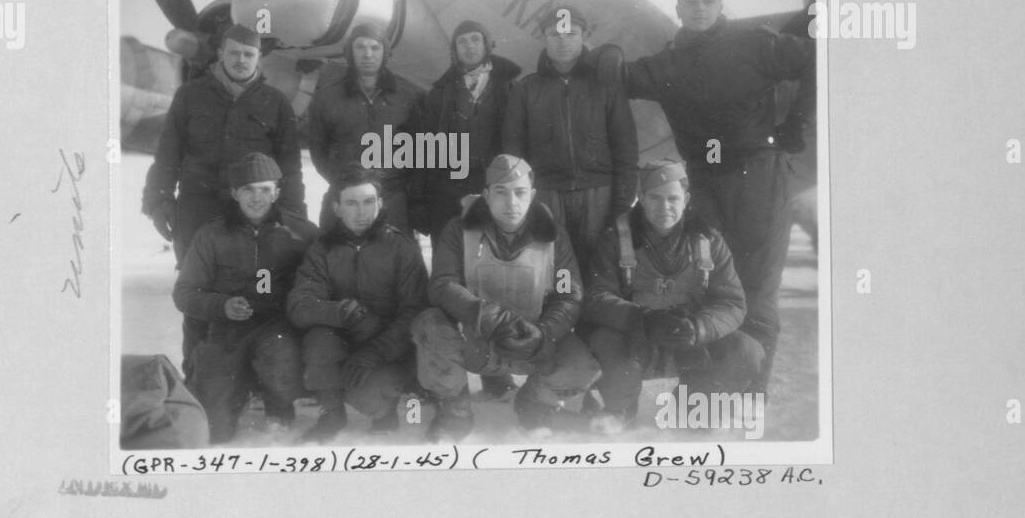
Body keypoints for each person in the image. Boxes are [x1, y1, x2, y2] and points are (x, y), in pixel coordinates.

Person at [616, 0, 814, 388]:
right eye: (691, 1)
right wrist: (599, 60)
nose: (700, 8)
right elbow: (618, 78)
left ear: (721, 5)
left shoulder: (755, 43)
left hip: (757, 176)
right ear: (678, 9)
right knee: (706, 285)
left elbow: (818, 57)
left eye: (708, 0)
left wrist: (800, 122)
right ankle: (704, 388)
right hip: (704, 184)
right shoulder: (666, 64)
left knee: (757, 289)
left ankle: (750, 392)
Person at [141, 23, 306, 377]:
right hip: (197, 210)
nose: (241, 60)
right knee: (198, 292)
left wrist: (293, 215)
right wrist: (157, 199)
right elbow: (167, 151)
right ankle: (198, 377)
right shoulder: (190, 95)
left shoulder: (275, 102)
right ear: (220, 54)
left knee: (260, 289)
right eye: (234, 52)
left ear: (259, 57)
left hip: (253, 213)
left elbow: (290, 168)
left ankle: (257, 379)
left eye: (249, 54)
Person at [412, 155, 600, 441]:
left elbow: (568, 294)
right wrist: (485, 315)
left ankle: (535, 405)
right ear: (486, 195)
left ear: (532, 195)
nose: (511, 202)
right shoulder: (458, 230)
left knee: (581, 368)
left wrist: (543, 334)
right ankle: (456, 412)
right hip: (477, 336)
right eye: (501, 192)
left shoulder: (553, 237)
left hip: (530, 338)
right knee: (430, 327)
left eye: (520, 193)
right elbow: (442, 284)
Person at [581, 159, 761, 434]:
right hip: (634, 336)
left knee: (746, 352)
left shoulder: (708, 240)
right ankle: (619, 409)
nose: (664, 207)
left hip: (686, 339)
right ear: (640, 198)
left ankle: (690, 409)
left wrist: (699, 328)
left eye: (673, 198)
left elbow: (732, 302)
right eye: (654, 197)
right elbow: (596, 296)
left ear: (686, 199)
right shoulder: (615, 239)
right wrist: (642, 319)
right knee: (606, 346)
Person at [172, 153, 318, 444]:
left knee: (280, 360)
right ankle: (234, 395)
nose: (257, 197)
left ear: (277, 192)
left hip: (279, 327)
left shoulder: (302, 232)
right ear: (235, 192)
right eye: (248, 189)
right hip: (228, 328)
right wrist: (221, 305)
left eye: (265, 189)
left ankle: (280, 405)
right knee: (215, 429)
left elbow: (322, 285)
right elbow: (184, 293)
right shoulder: (211, 235)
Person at [287, 165, 429, 442]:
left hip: (389, 347)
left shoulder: (402, 248)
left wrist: (375, 352)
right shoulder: (322, 250)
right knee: (319, 339)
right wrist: (339, 312)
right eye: (351, 203)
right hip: (343, 342)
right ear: (337, 208)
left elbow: (415, 310)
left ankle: (384, 410)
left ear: (380, 204)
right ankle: (332, 412)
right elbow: (300, 304)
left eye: (368, 202)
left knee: (368, 397)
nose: (361, 212)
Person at [501, 4, 638, 271]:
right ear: (544, 38)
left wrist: (622, 200)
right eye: (555, 34)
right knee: (554, 269)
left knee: (598, 267)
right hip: (547, 193)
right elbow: (513, 152)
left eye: (571, 32)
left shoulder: (606, 84)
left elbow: (626, 146)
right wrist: (520, 198)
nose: (563, 41)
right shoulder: (525, 90)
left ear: (584, 36)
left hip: (598, 192)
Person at [411, 19, 523, 241]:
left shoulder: (511, 89)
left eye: (475, 39)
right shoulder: (439, 94)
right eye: (462, 41)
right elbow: (425, 149)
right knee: (448, 248)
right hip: (448, 186)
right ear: (454, 50)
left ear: (486, 45)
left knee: (492, 248)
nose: (469, 46)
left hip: (493, 184)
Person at [307, 23, 422, 232]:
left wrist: (403, 184)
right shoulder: (327, 97)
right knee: (338, 258)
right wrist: (344, 181)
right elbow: (317, 148)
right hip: (344, 195)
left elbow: (420, 148)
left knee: (396, 260)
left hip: (392, 198)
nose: (367, 54)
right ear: (349, 51)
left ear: (385, 52)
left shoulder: (408, 95)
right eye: (360, 47)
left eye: (375, 47)